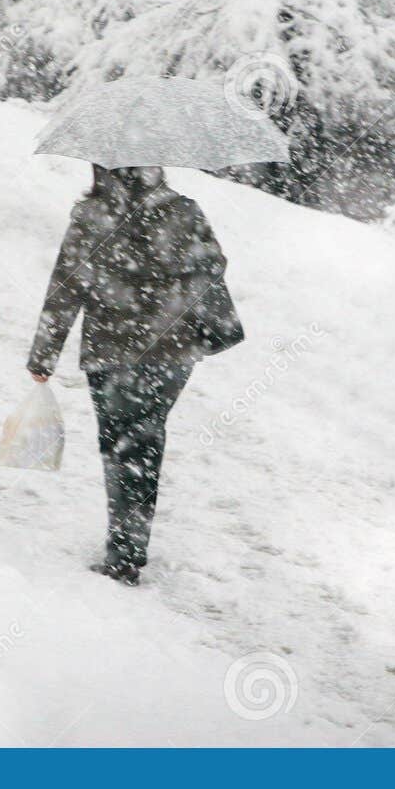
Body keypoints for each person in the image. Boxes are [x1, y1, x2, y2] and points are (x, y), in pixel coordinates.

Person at [27, 165, 244, 586]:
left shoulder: (92, 217)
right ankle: (130, 546)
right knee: (145, 442)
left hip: (112, 351)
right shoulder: (185, 211)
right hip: (172, 351)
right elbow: (213, 267)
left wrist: (44, 353)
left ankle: (124, 553)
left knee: (119, 445)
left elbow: (67, 286)